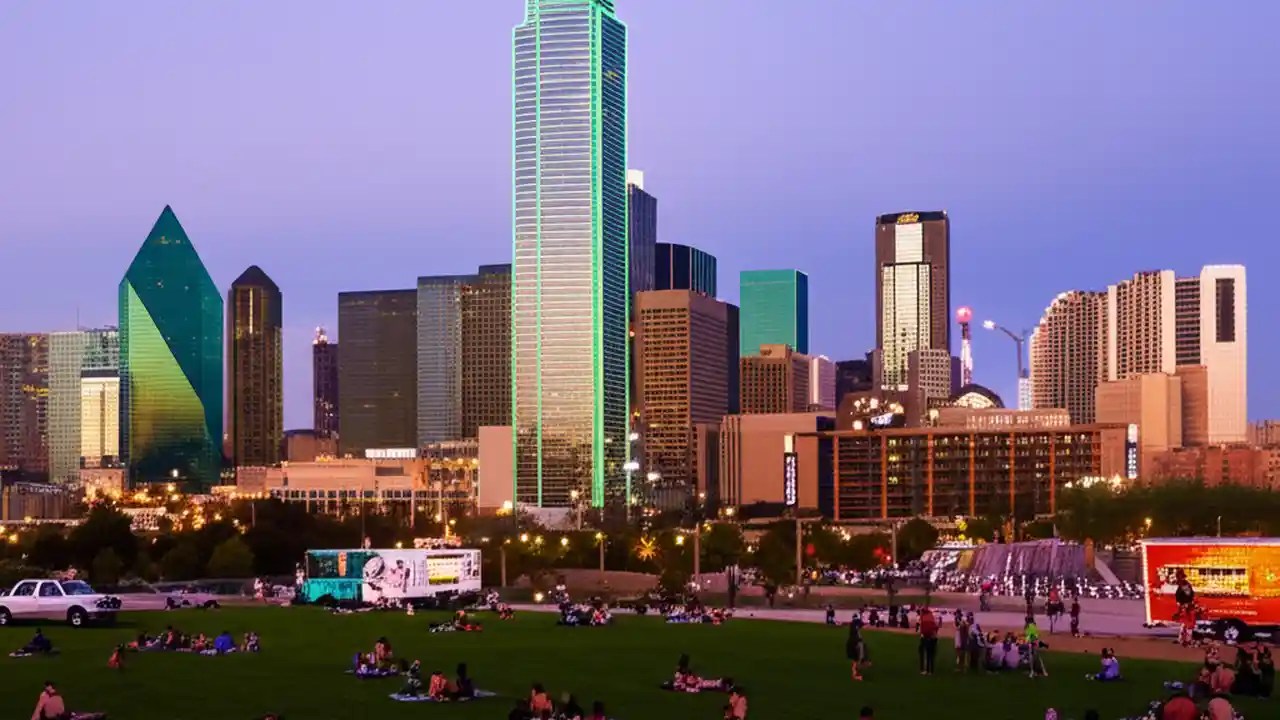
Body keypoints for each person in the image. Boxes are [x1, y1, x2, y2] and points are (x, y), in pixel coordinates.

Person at [917, 607, 939, 675]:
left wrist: (922, 634)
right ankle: (930, 671)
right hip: (933, 638)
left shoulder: (924, 618)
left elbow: (923, 630)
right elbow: (936, 627)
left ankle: (925, 670)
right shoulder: (931, 617)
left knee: (925, 654)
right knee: (931, 655)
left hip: (927, 638)